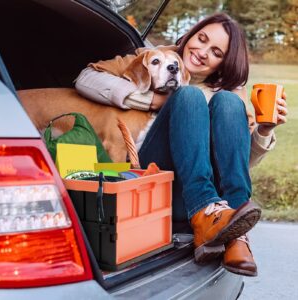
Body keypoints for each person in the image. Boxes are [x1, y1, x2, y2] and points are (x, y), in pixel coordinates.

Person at [74, 13, 288, 277]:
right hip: (158, 184)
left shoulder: (227, 95)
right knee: (188, 96)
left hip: (206, 201)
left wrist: (265, 130)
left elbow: (237, 162)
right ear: (192, 33)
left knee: (229, 104)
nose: (202, 52)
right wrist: (153, 101)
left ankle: (236, 235)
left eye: (216, 52)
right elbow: (86, 79)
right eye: (201, 38)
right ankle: (205, 213)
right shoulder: (153, 57)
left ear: (223, 63)